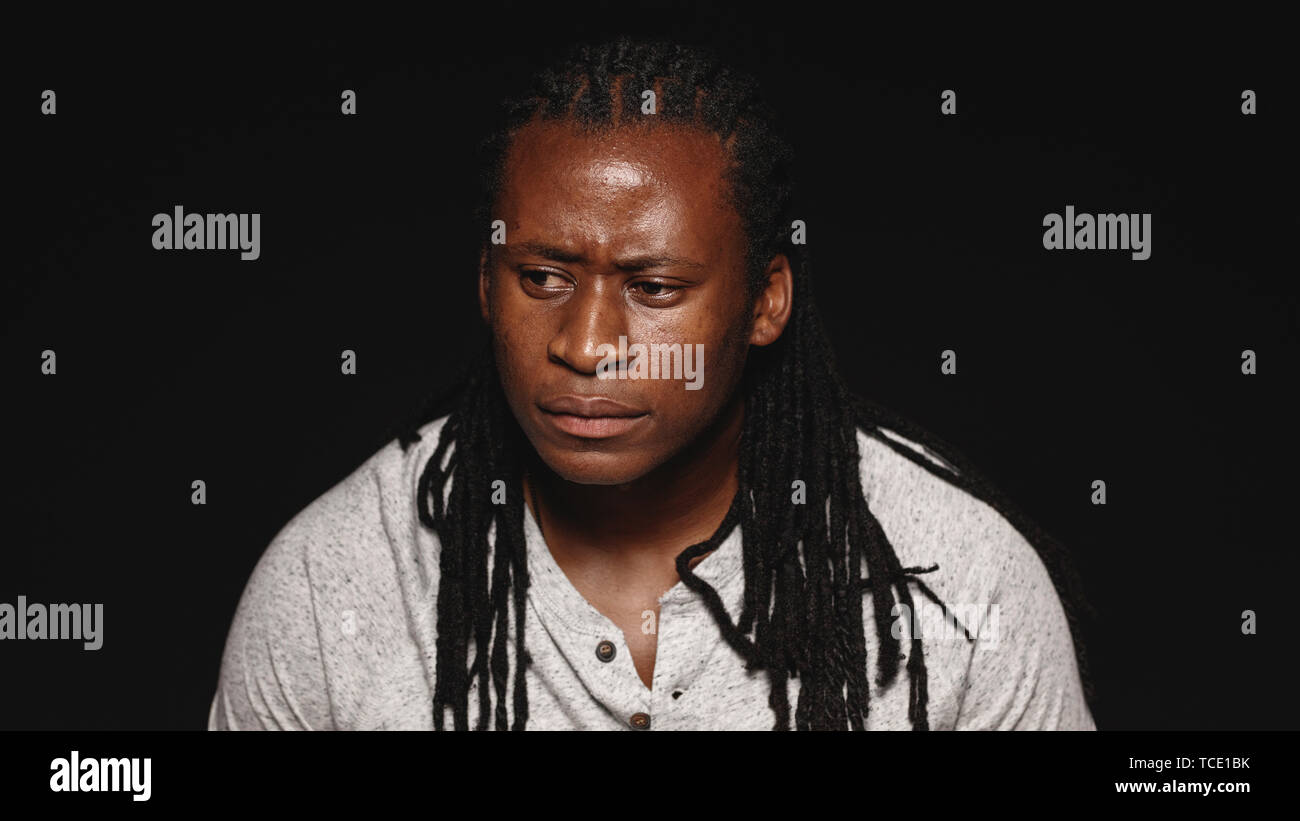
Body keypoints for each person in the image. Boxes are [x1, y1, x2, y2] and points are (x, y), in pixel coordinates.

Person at [208, 38, 1097, 731]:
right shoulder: (335, 585)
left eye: (655, 288)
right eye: (543, 277)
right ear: (485, 282)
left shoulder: (959, 580)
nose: (589, 346)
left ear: (765, 301)